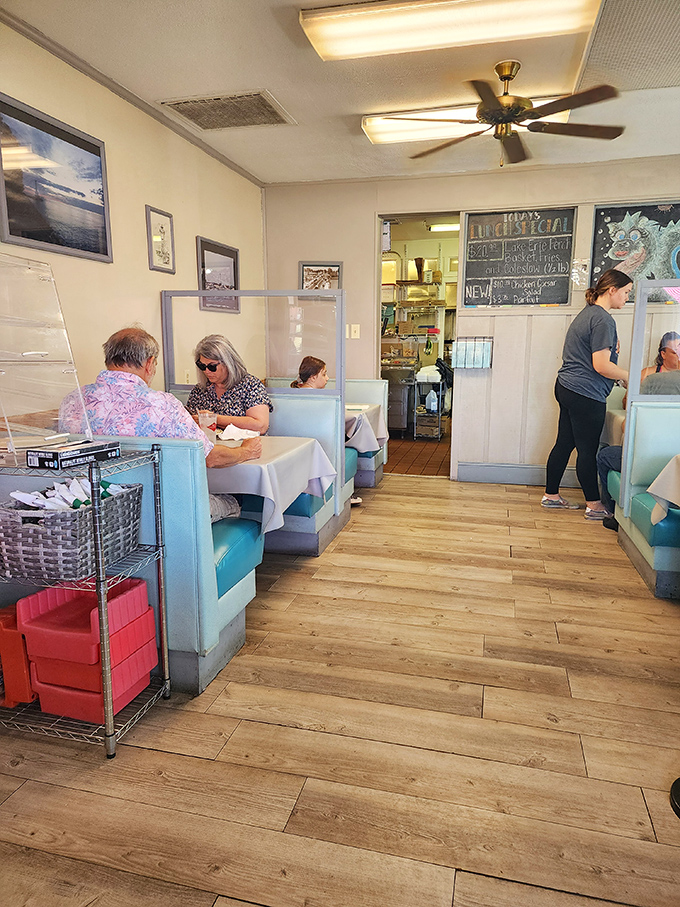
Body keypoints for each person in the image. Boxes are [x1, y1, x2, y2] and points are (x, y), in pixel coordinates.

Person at [59, 328, 262, 519]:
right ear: (150, 363)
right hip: (157, 510)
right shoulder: (162, 404)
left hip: (91, 508)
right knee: (232, 501)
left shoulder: (73, 400)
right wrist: (247, 451)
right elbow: (210, 458)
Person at [543, 269, 632, 520]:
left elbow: (590, 361)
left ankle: (551, 496)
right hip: (585, 393)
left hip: (567, 386)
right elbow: (601, 365)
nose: (627, 298)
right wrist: (628, 375)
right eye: (626, 292)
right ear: (611, 290)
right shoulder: (603, 319)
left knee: (564, 442)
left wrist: (617, 377)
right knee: (587, 450)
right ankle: (594, 505)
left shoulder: (587, 314)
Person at [598, 367, 680, 531]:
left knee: (605, 455)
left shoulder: (653, 380)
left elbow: (630, 419)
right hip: (670, 461)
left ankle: (613, 513)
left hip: (648, 462)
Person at [290, 356, 362, 506]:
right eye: (324, 374)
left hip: (295, 447)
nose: (328, 378)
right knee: (346, 441)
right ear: (313, 377)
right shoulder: (318, 399)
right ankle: (343, 493)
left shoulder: (294, 393)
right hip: (316, 446)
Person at [186, 334, 272, 434]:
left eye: (212, 366)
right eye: (202, 366)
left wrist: (214, 419)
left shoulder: (250, 385)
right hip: (212, 447)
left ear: (228, 363)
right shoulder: (200, 390)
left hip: (244, 446)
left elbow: (260, 426)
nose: (206, 371)